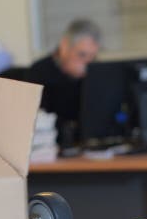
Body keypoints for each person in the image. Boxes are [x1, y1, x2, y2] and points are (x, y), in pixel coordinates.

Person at [26, 19, 101, 147]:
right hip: (49, 147)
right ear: (65, 46)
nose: (88, 63)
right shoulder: (38, 73)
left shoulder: (95, 75)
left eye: (92, 57)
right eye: (82, 55)